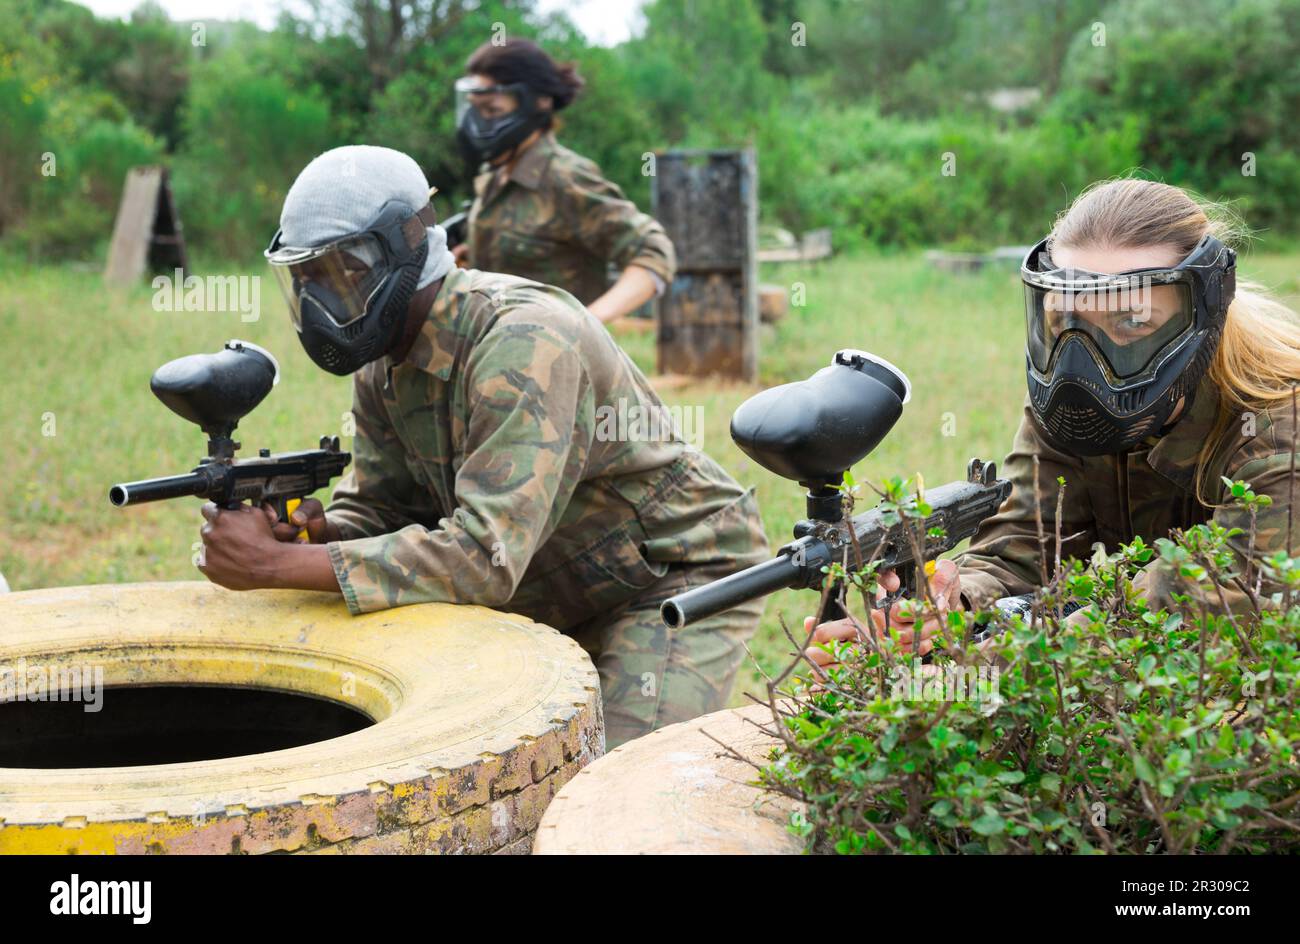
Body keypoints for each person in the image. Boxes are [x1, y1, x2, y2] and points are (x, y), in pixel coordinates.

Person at [195, 145, 767, 748]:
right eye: (304, 282)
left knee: (614, 775)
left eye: (335, 276)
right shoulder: (386, 360)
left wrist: (277, 566)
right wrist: (322, 534)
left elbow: (484, 557)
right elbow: (386, 508)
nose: (318, 306)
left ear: (396, 253)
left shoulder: (525, 341)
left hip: (670, 574)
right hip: (549, 578)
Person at [807, 178, 1300, 669]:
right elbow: (1022, 548)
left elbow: (1218, 599)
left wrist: (979, 664)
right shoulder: (1075, 396)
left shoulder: (1278, 421)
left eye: (1133, 323)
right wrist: (946, 610)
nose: (1086, 358)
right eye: (1068, 321)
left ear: (1200, 317)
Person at [452, 38, 675, 323]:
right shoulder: (493, 178)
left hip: (556, 364)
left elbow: (654, 251)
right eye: (475, 109)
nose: (478, 122)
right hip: (496, 357)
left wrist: (583, 325)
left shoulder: (565, 178)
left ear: (537, 104)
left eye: (493, 111)